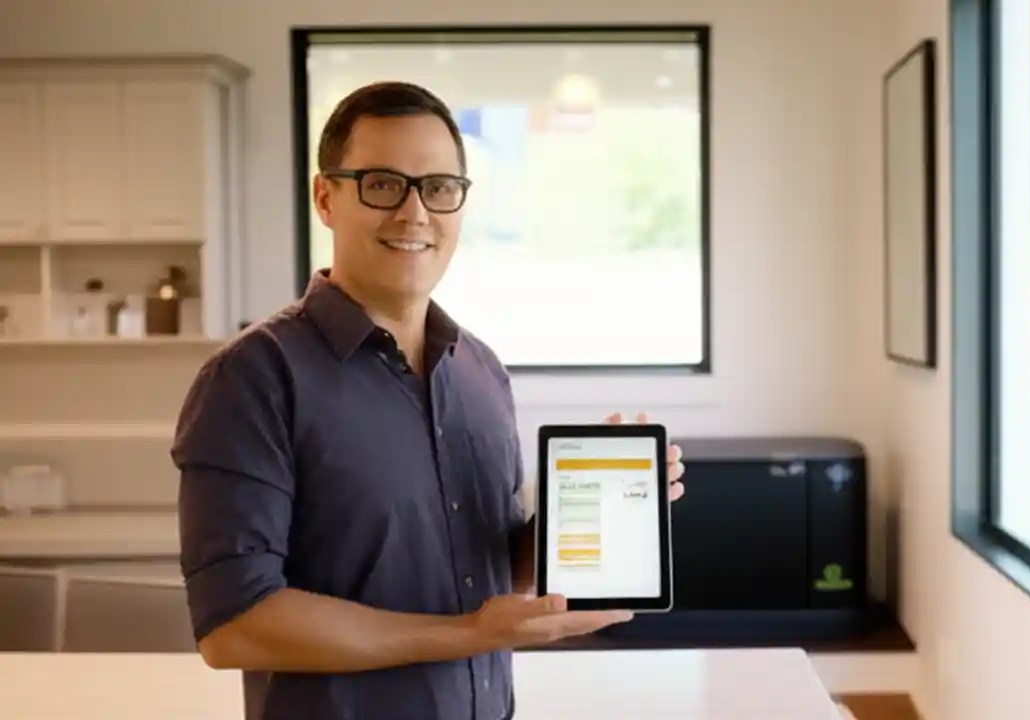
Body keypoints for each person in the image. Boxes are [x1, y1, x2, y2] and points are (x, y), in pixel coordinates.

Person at [170, 81, 686, 720]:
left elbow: (490, 575)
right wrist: (472, 634)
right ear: (325, 197)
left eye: (439, 187)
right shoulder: (253, 377)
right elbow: (235, 626)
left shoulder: (481, 371)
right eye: (383, 183)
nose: (415, 213)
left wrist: (583, 514)